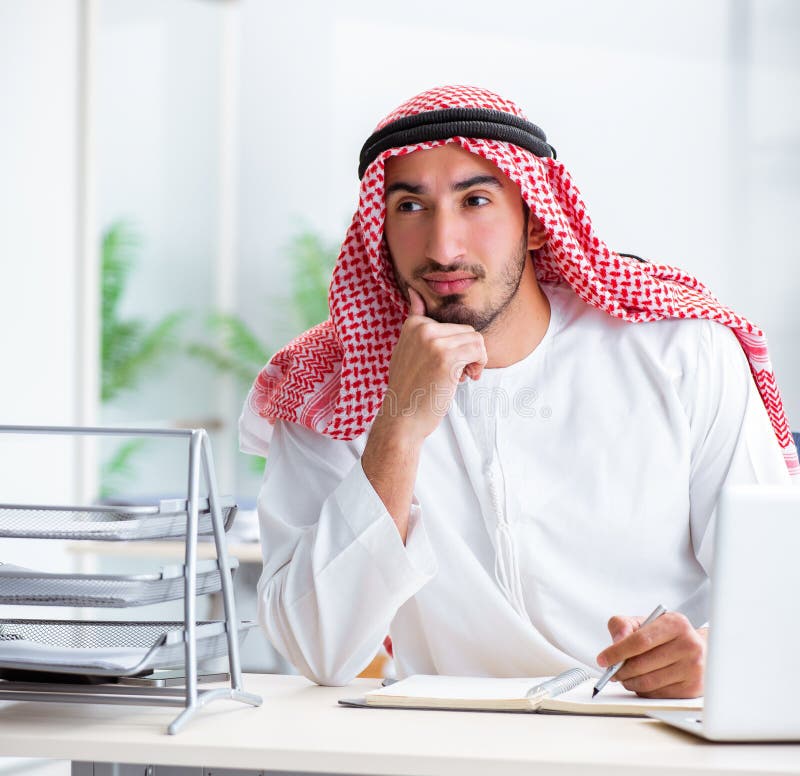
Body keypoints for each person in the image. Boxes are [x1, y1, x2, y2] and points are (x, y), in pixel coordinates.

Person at [239, 85, 797, 696]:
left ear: (535, 222)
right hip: (445, 749)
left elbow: (779, 596)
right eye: (409, 206)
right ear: (379, 231)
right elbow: (317, 649)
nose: (443, 246)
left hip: (647, 737)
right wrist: (398, 427)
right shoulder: (330, 388)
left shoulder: (680, 352)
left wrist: (716, 657)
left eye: (475, 200)